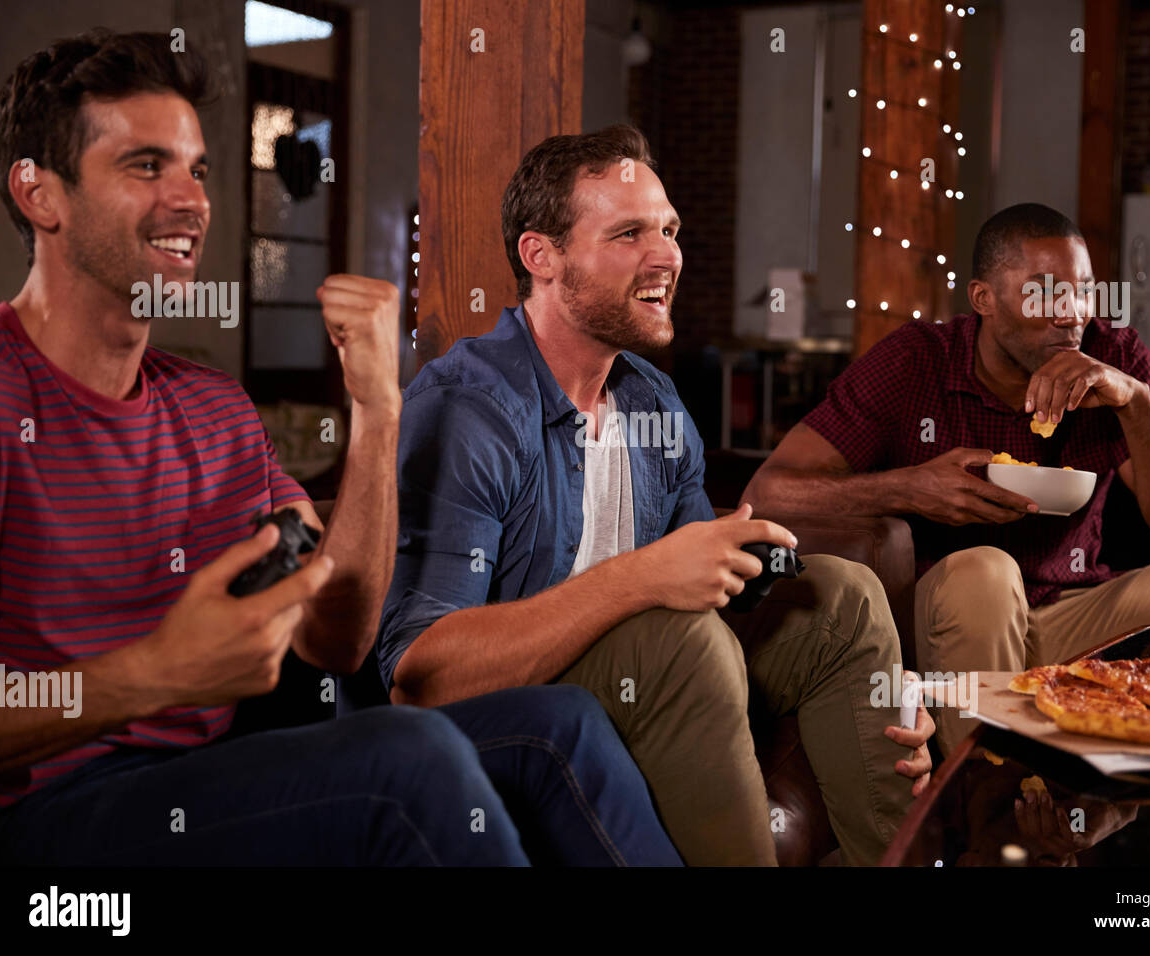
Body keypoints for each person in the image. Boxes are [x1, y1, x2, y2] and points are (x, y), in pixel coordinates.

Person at [0, 29, 680, 867]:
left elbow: (338, 643)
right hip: (41, 811)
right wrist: (158, 673)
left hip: (203, 775)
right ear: (40, 194)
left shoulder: (210, 408)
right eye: (145, 166)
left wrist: (378, 409)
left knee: (557, 722)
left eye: (197, 170)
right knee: (407, 766)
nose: (192, 199)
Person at [376, 124, 934, 867]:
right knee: (681, 640)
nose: (667, 254)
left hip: (652, 680)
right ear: (541, 256)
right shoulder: (469, 410)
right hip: (515, 709)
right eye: (629, 232)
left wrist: (876, 692)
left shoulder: (653, 402)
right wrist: (640, 578)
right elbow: (421, 678)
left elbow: (698, 588)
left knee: (843, 597)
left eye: (669, 229)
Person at [743, 202, 1150, 756]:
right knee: (987, 570)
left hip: (1075, 612)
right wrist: (909, 487)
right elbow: (768, 492)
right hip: (956, 612)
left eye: (1083, 290)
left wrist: (1135, 405)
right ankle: (990, 796)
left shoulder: (1113, 356)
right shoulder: (915, 361)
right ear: (984, 300)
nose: (1071, 313)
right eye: (1044, 292)